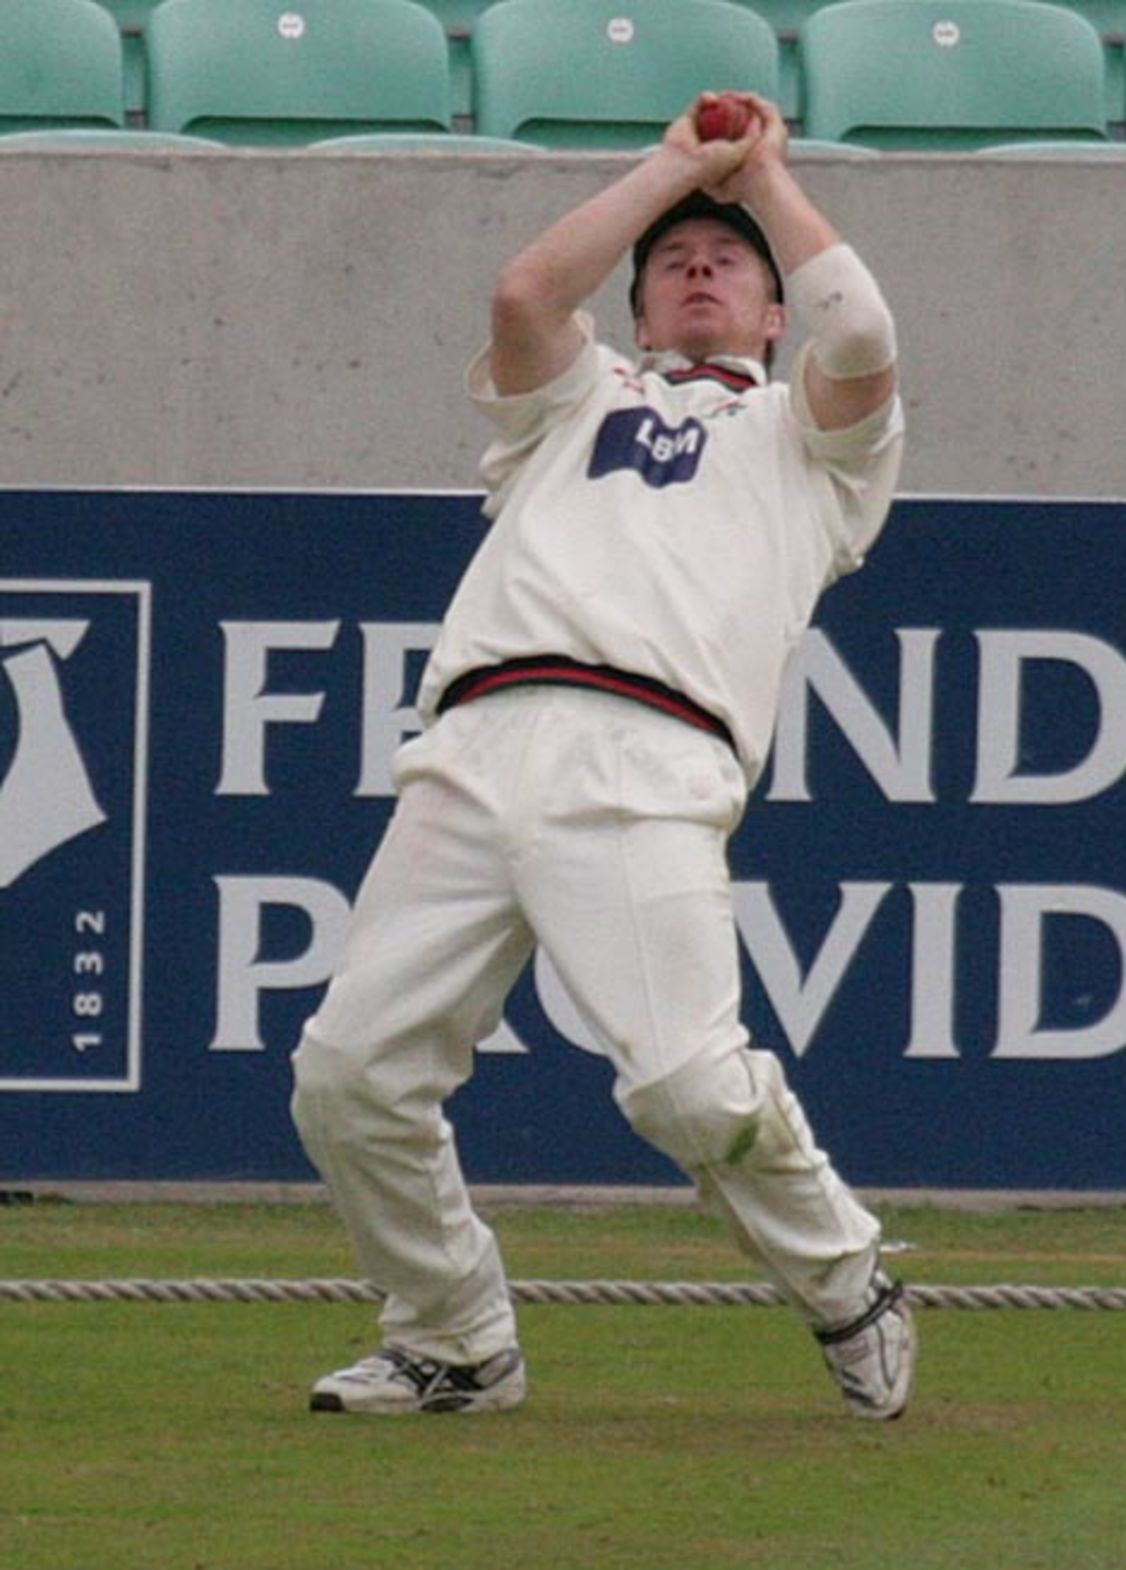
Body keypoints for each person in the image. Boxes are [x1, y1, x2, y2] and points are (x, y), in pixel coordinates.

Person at [291, 92, 915, 1421]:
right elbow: (525, 296)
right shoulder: (573, 403)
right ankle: (454, 1338)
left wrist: (766, 185)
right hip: (471, 746)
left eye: (729, 262)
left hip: (649, 754)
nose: (699, 267)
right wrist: (679, 170)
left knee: (689, 1088)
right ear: (638, 317)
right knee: (349, 1078)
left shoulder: (813, 445)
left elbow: (860, 329)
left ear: (769, 314)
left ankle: (847, 1279)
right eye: (674, 266)